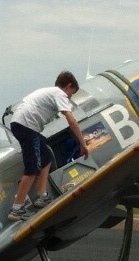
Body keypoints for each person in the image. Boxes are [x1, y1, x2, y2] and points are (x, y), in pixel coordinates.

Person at [7, 70, 89, 221]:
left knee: (46, 157)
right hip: (27, 125)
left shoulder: (49, 92)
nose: (70, 97)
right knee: (32, 168)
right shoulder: (60, 94)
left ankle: (42, 196)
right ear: (68, 86)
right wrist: (82, 143)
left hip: (22, 123)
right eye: (71, 94)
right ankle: (16, 209)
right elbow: (71, 121)